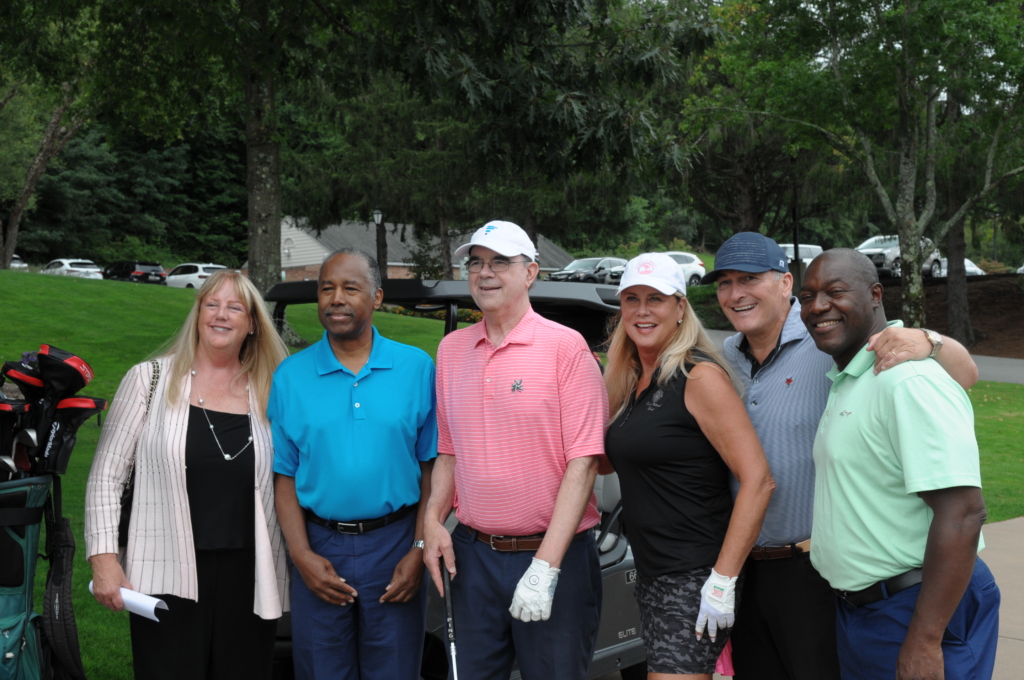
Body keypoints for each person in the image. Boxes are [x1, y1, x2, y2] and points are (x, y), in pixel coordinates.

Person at [700, 232, 980, 680]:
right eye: (724, 283)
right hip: (748, 570)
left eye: (749, 279)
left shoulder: (830, 342)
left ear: (784, 283)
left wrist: (931, 340)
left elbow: (963, 374)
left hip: (818, 573)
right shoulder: (720, 358)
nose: (735, 294)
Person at [798, 248, 999, 680]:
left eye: (835, 292)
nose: (817, 307)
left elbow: (963, 512)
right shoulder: (851, 378)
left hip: (916, 609)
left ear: (874, 295)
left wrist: (925, 640)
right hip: (865, 609)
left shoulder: (907, 380)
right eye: (807, 296)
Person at [422, 220, 607, 680]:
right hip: (473, 556)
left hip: (553, 554)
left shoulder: (566, 348)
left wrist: (545, 566)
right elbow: (448, 451)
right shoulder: (450, 351)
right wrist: (431, 520)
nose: (485, 273)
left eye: (500, 262)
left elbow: (583, 463)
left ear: (530, 273)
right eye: (476, 263)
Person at [85, 269, 290, 680]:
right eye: (211, 305)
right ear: (197, 315)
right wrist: (104, 560)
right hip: (163, 567)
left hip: (252, 573)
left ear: (251, 323)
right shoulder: (149, 380)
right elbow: (106, 474)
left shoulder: (273, 388)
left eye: (235, 307)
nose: (221, 315)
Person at [602, 252, 775, 679]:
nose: (642, 311)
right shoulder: (632, 380)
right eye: (632, 299)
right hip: (652, 571)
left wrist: (722, 581)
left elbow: (759, 481)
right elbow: (606, 464)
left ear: (680, 307)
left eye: (656, 299)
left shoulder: (699, 378)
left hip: (695, 574)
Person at [269, 248, 437, 680]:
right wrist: (301, 555)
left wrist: (418, 551)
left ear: (377, 297)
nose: (336, 298)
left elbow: (432, 470)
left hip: (397, 544)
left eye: (350, 288)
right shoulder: (291, 375)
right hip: (320, 545)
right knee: (322, 671)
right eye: (327, 288)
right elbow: (283, 475)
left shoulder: (417, 368)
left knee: (396, 671)